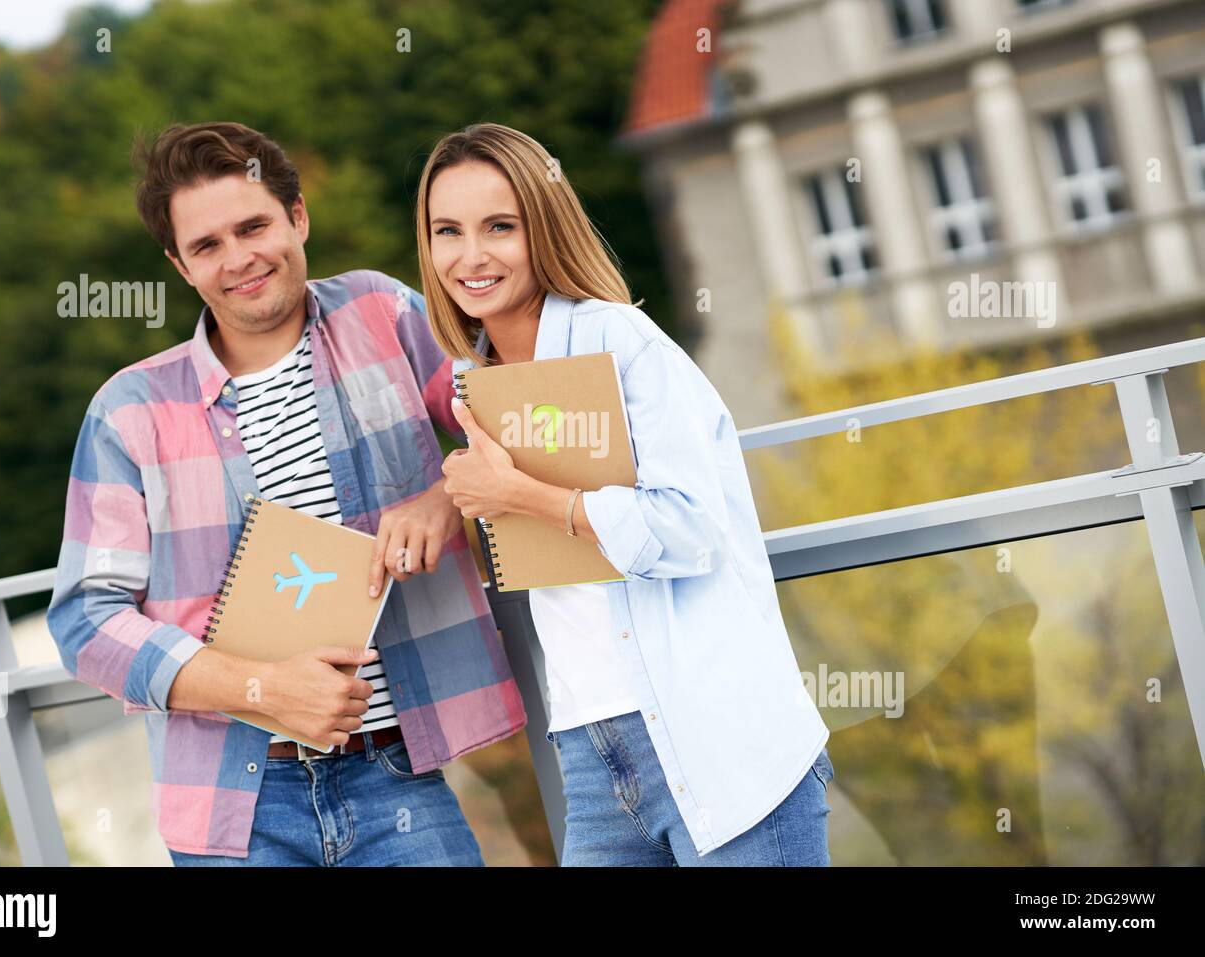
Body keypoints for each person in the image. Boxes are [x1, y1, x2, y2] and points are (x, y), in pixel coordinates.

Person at [46, 121, 525, 866]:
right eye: (207, 246)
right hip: (234, 815)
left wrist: (446, 497)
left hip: (400, 774)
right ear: (179, 264)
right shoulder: (128, 410)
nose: (239, 259)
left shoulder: (383, 315)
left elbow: (520, 421)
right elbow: (85, 619)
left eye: (254, 225)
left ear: (296, 217)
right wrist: (261, 688)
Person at [418, 123, 834, 865]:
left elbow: (691, 527)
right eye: (447, 230)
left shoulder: (621, 341)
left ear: (541, 229)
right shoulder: (470, 385)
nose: (470, 256)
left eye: (499, 227)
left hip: (715, 736)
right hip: (589, 750)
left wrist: (524, 493)